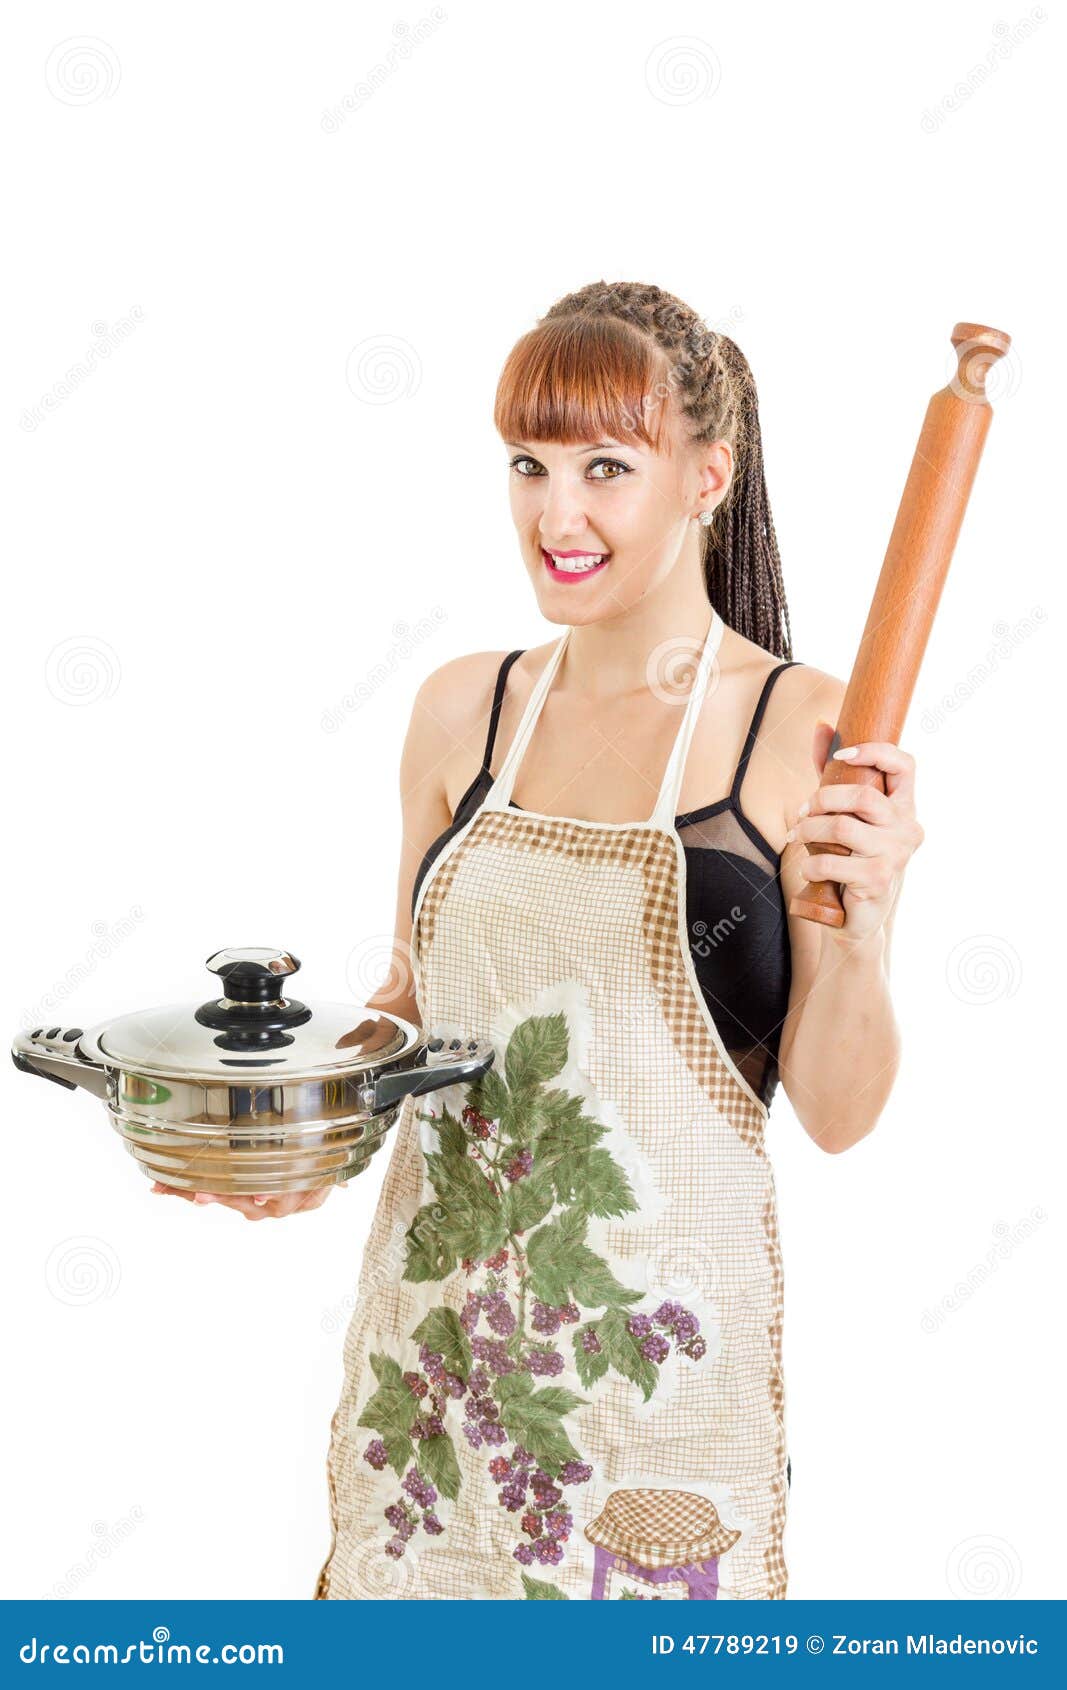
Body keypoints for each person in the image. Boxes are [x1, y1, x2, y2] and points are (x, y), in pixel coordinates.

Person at [154, 281, 924, 1598]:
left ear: (706, 477)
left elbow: (838, 1112)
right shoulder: (465, 712)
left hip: (661, 1416)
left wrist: (867, 929)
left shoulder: (808, 732)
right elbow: (413, 1002)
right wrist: (310, 1140)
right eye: (531, 464)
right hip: (433, 1392)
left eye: (605, 469)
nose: (555, 515)